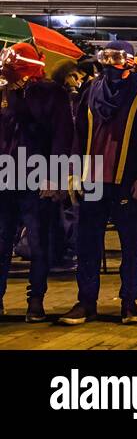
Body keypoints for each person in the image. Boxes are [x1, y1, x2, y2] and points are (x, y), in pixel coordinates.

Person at [57, 41, 137, 325]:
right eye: (105, 59)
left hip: (127, 178)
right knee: (88, 243)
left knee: (131, 244)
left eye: (115, 59)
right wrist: (73, 171)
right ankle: (86, 302)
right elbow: (79, 133)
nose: (109, 65)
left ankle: (129, 302)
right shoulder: (92, 91)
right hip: (93, 177)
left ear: (130, 62)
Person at [0, 43, 66, 322]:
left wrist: (56, 177)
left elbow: (61, 135)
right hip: (5, 176)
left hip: (36, 177)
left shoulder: (50, 93)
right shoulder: (3, 92)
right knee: (1, 242)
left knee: (38, 242)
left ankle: (35, 300)